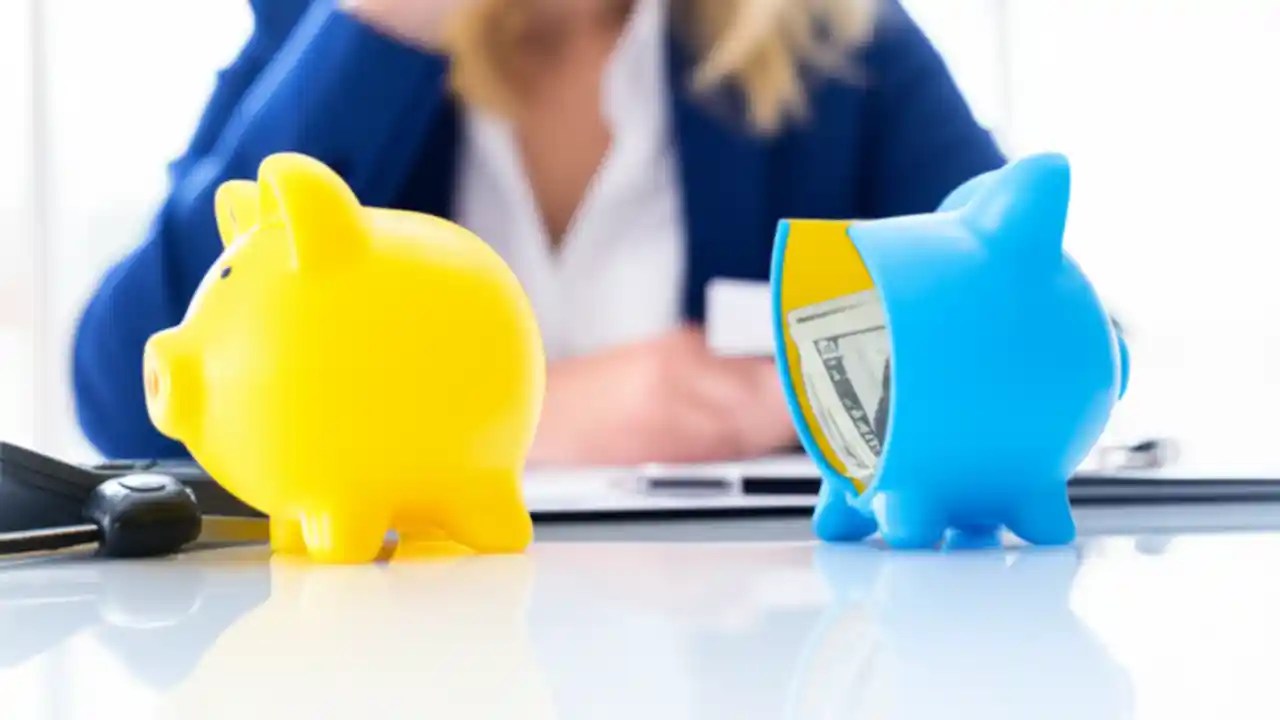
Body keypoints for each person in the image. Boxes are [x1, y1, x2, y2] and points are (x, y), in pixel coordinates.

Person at [72, 0, 1004, 466]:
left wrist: (799, 404)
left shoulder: (834, 38)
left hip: (746, 642)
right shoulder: (335, 30)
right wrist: (522, 425)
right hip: (408, 650)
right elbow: (133, 404)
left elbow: (1031, 328)